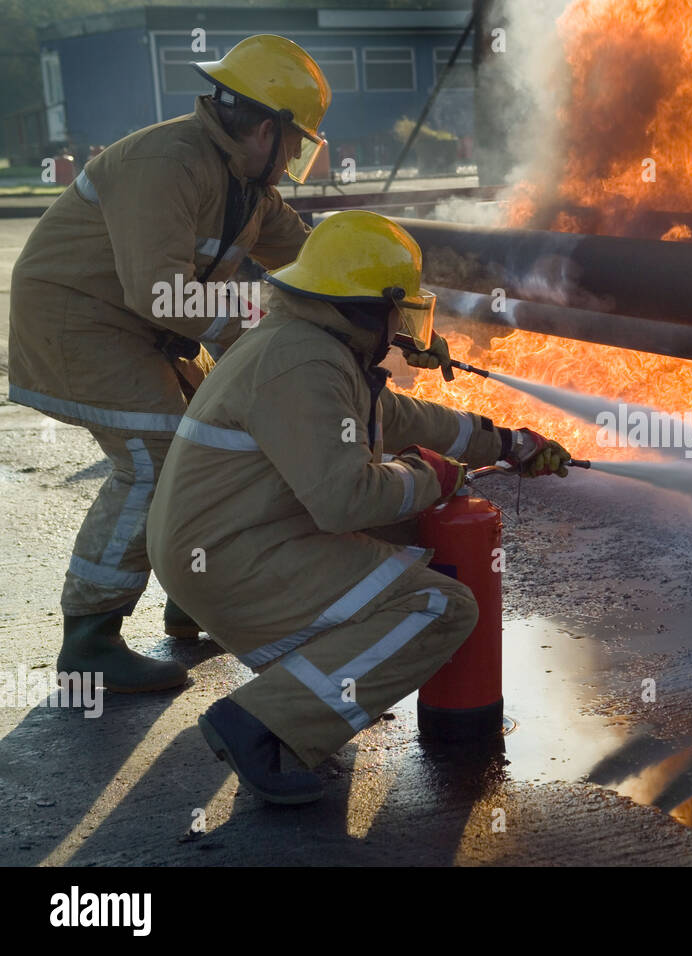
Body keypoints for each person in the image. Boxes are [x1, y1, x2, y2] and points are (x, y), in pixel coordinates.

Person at [146, 210, 569, 804]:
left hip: (237, 538)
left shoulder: (314, 345)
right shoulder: (306, 365)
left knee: (407, 530)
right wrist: (431, 476)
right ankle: (260, 723)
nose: (402, 329)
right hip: (231, 558)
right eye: (400, 313)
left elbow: (404, 419)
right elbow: (344, 501)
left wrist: (506, 443)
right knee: (440, 606)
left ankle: (316, 692)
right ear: (371, 307)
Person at [7, 35, 333, 692]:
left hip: (135, 331)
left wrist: (380, 298)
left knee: (217, 443)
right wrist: (262, 325)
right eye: (295, 142)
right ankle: (90, 639)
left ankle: (193, 599)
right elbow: (161, 293)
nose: (296, 157)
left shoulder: (244, 186)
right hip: (79, 324)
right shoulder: (169, 163)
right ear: (266, 129)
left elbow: (313, 264)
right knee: (155, 456)